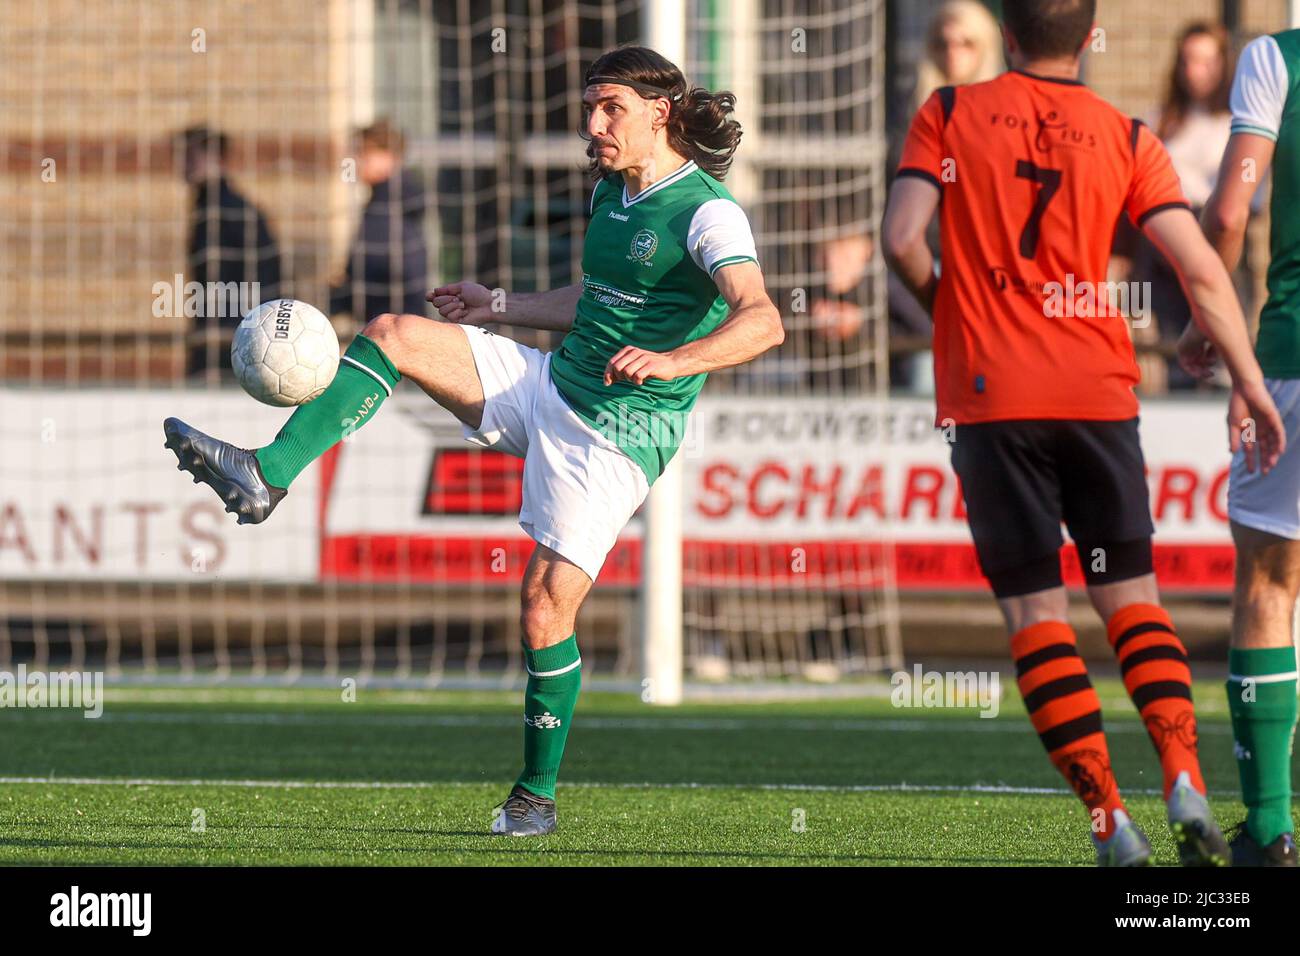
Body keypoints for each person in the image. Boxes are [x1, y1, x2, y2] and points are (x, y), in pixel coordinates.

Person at [162, 47, 782, 836]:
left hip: (618, 430)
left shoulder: (707, 211)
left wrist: (672, 361)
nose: (593, 125)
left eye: (610, 109)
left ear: (661, 113)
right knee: (391, 334)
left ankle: (535, 795)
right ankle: (266, 474)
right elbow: (597, 301)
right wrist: (500, 306)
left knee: (542, 610)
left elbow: (762, 318)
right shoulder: (610, 192)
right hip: (553, 385)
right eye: (589, 108)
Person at [883, 0, 1284, 866]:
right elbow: (1203, 265)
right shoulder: (1127, 133)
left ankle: (1110, 822)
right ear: (1088, 34)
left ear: (1010, 33)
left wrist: (953, 311)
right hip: (1098, 393)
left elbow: (903, 237)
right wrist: (1248, 379)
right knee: (1132, 599)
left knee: (1038, 613)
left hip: (994, 400)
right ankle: (1183, 773)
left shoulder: (948, 114)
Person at [1179, 26, 1300, 867]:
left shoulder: (1275, 58)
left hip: (1293, 360)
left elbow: (1228, 208)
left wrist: (1210, 328)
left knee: (1268, 584)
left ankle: (1268, 828)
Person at [890, 1, 1004, 393]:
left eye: (966, 43)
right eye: (943, 42)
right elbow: (899, 231)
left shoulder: (1001, 113)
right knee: (929, 361)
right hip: (925, 258)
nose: (952, 52)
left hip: (979, 261)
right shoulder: (913, 109)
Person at [1134, 23, 1236, 390]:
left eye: (1209, 61)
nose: (1198, 71)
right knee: (1166, 349)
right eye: (1190, 60)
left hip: (1211, 239)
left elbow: (1241, 207)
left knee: (1215, 353)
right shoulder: (1160, 119)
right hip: (1158, 245)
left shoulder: (1236, 123)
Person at [178, 126, 282, 377]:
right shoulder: (208, 206)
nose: (184, 165)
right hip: (219, 336)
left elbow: (265, 278)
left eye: (192, 157)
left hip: (234, 342)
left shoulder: (232, 210)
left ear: (217, 158)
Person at [329, 119, 430, 323]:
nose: (354, 160)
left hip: (392, 329)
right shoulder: (385, 201)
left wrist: (336, 296)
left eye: (362, 153)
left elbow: (377, 276)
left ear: (388, 156)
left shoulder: (390, 208)